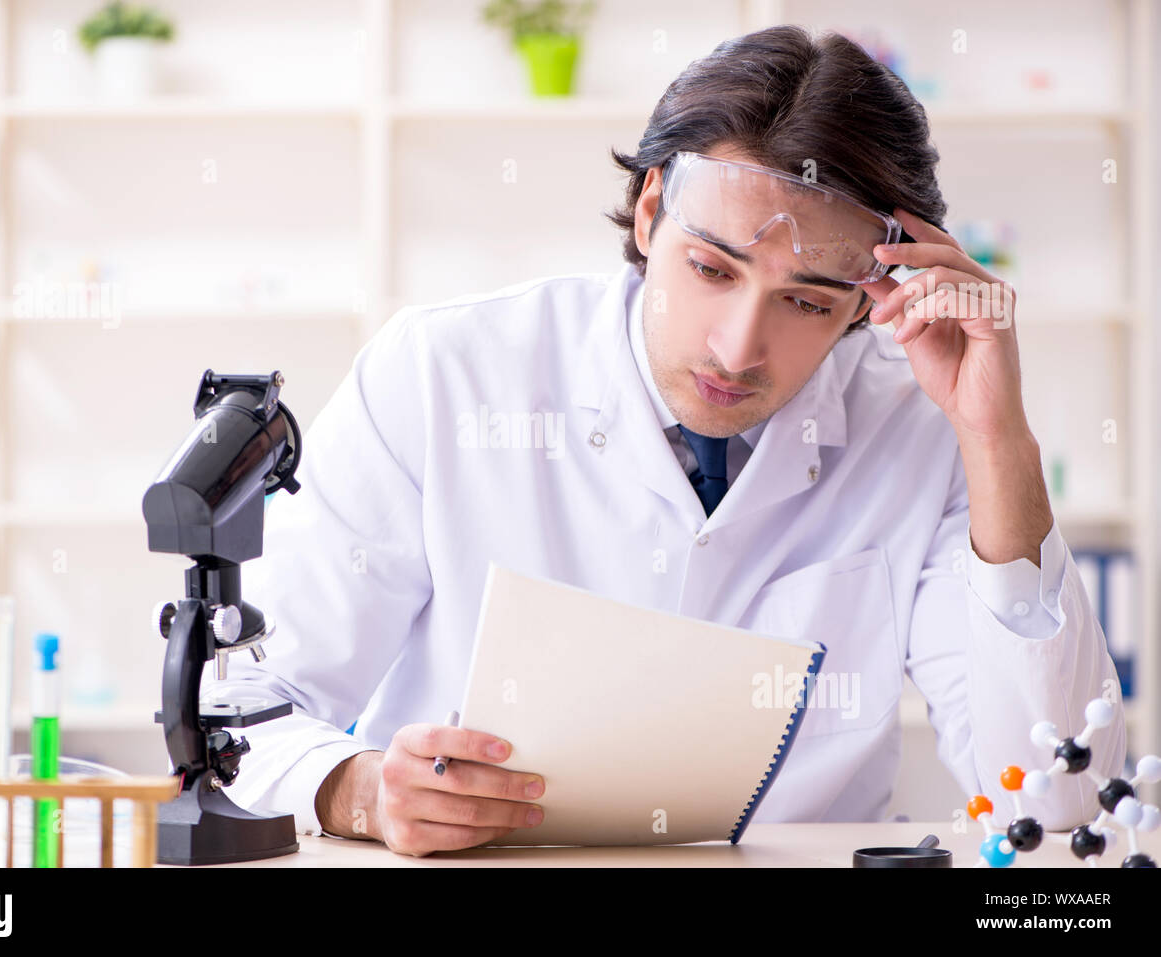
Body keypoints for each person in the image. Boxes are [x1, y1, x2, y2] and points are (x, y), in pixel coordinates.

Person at [206, 24, 1126, 857]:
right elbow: (236, 716)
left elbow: (1057, 806)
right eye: (710, 268)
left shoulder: (923, 426)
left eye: (806, 300)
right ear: (649, 214)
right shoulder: (443, 372)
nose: (737, 347)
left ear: (871, 295)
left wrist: (997, 437)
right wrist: (360, 790)